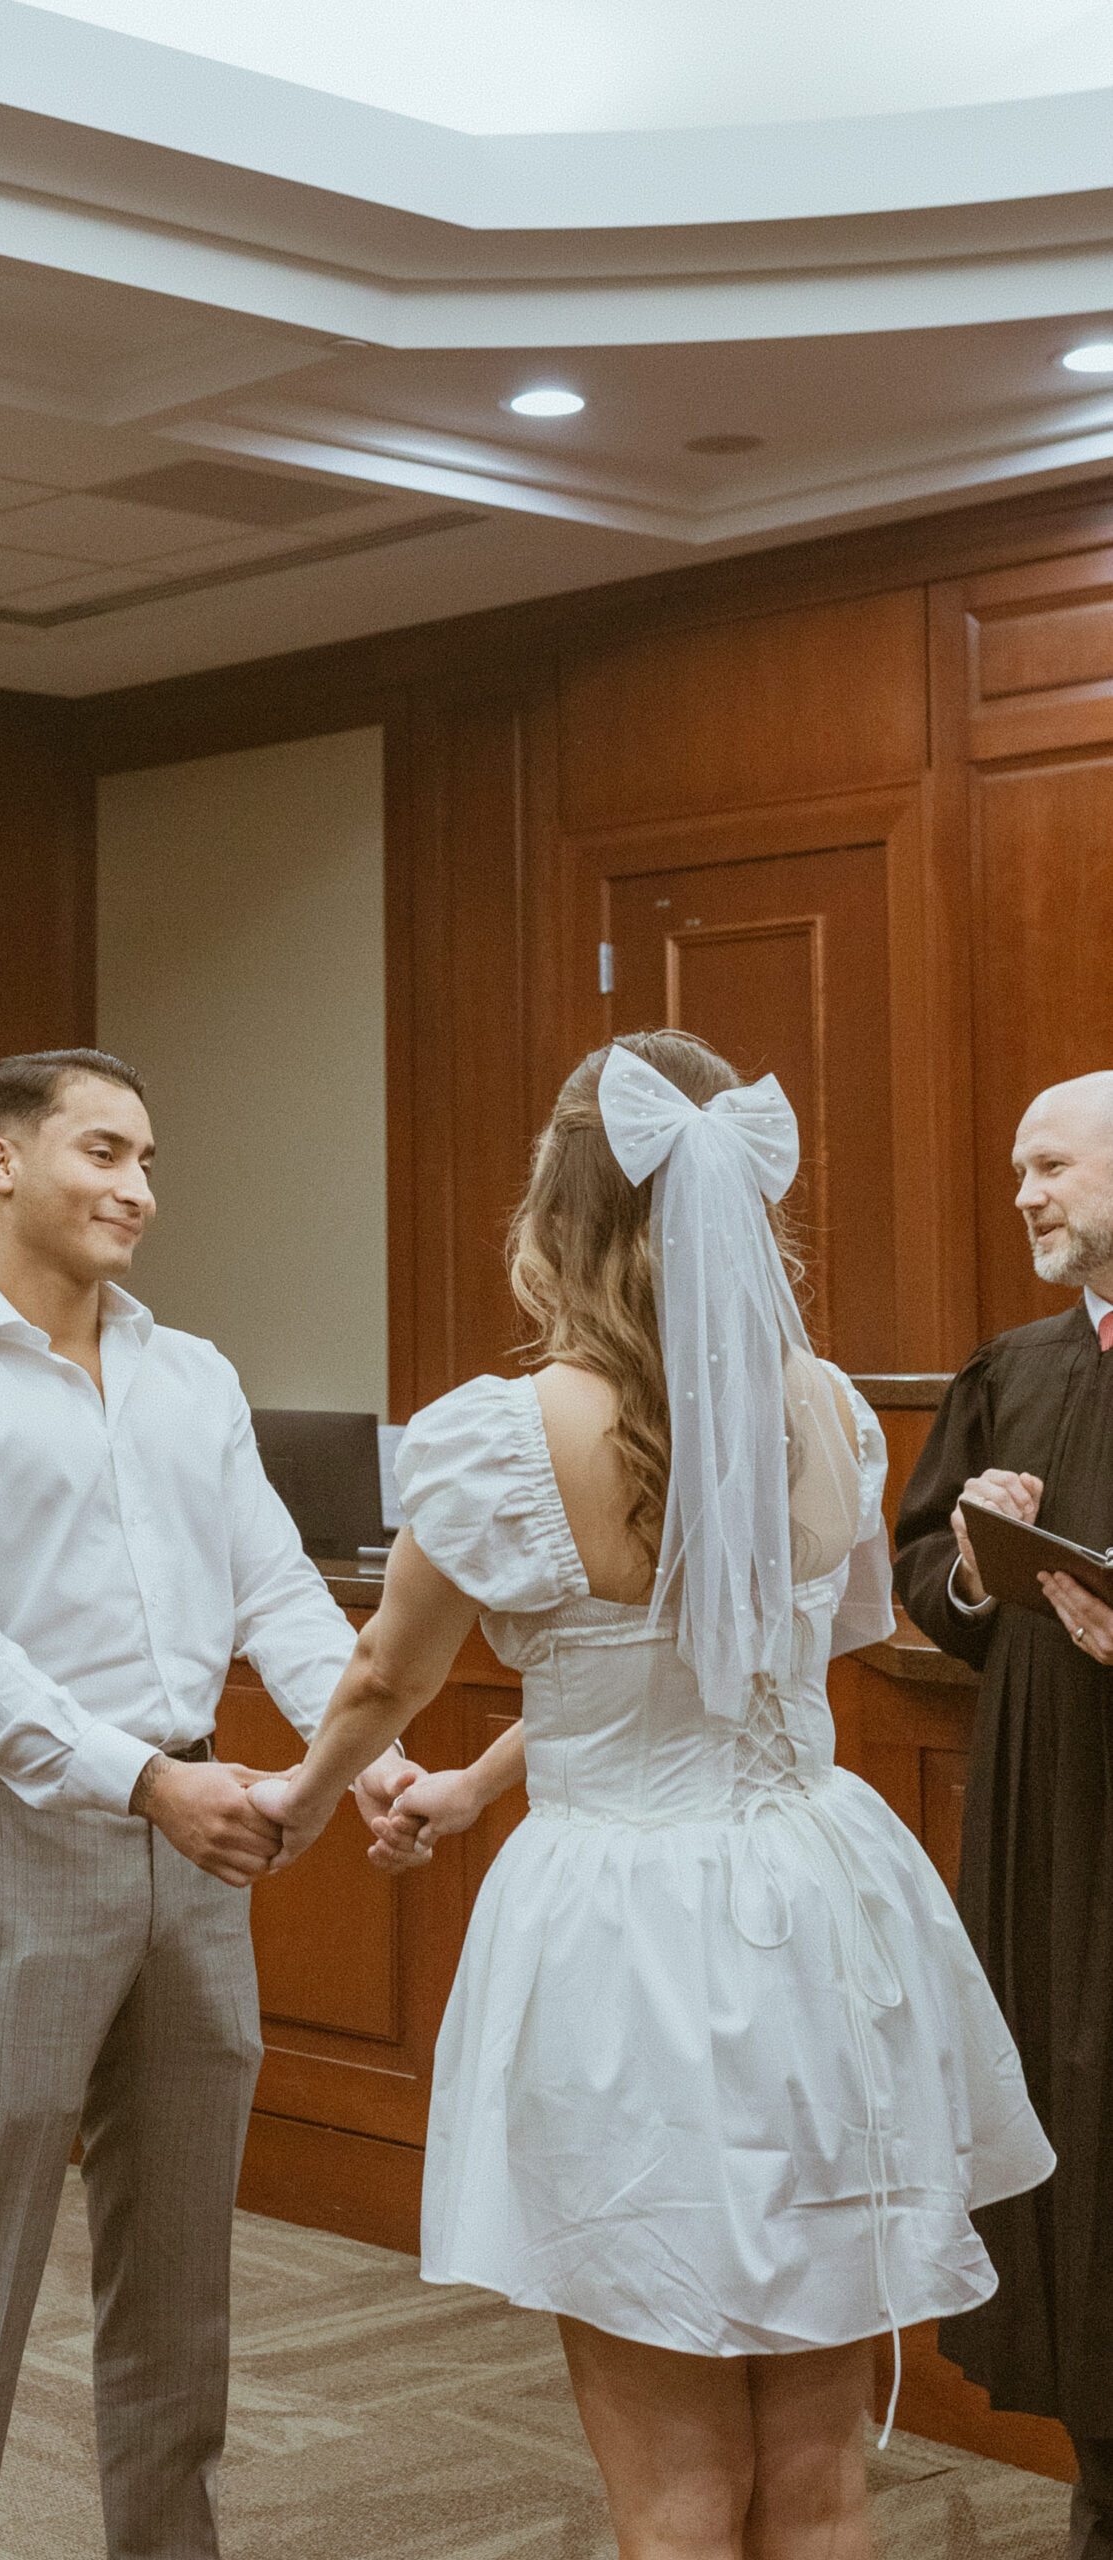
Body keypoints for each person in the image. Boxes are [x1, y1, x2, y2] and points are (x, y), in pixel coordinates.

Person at [250, 1030, 1054, 2560]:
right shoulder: (827, 1411)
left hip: (629, 1942)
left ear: (557, 1212)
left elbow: (382, 1679)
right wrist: (481, 1784)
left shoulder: (500, 1437)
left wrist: (301, 1799)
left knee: (676, 2501)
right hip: (821, 1917)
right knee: (820, 2485)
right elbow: (736, 1662)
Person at [0, 1047, 411, 2560]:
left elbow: (274, 1590)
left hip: (195, 1854)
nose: (138, 1189)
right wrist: (149, 1783)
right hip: (7, 1847)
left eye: (149, 1160)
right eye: (103, 1153)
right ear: (2, 1162)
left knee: (180, 2270)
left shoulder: (190, 1373)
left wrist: (364, 1745)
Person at [892, 1068, 1113, 2560]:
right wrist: (978, 1566)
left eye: (1050, 1167)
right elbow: (925, 1569)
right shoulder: (1016, 1366)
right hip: (1048, 1807)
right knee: (1067, 2120)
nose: (1023, 1195)